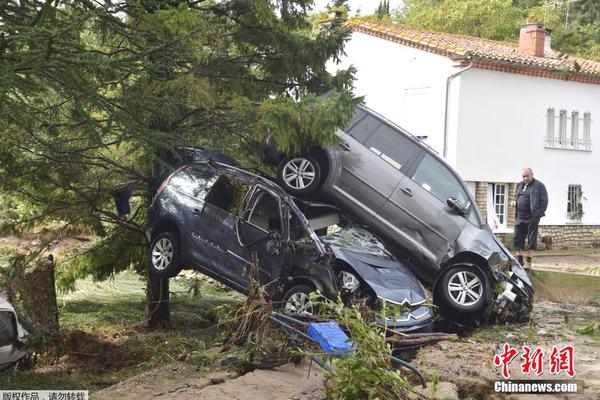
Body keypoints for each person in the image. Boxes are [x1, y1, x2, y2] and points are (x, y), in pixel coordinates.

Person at [513, 167, 548, 269]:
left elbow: (544, 201)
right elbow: (516, 197)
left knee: (531, 241)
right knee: (517, 238)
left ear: (532, 174)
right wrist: (514, 202)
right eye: (523, 176)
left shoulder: (539, 186)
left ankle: (528, 262)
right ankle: (520, 262)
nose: (525, 178)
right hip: (519, 217)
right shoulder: (520, 185)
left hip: (532, 218)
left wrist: (538, 214)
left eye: (527, 176)